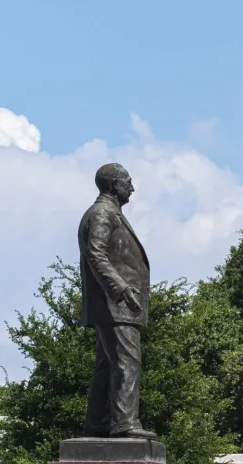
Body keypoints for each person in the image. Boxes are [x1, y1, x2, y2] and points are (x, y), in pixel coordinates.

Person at [79, 163, 156, 439]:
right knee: (127, 361)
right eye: (128, 182)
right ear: (114, 185)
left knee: (107, 365)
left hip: (114, 306)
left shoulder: (110, 214)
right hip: (116, 305)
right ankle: (124, 422)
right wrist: (122, 289)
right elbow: (97, 255)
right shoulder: (102, 214)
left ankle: (98, 422)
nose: (132, 188)